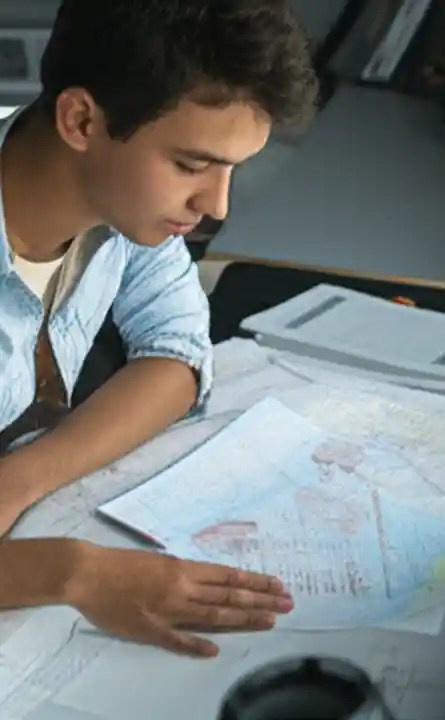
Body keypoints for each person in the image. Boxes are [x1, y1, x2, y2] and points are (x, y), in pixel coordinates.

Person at [0, 0, 320, 658]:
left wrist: (23, 479)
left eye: (233, 168)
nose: (217, 206)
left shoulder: (122, 201)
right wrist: (75, 573)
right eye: (192, 165)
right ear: (82, 120)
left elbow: (176, 354)